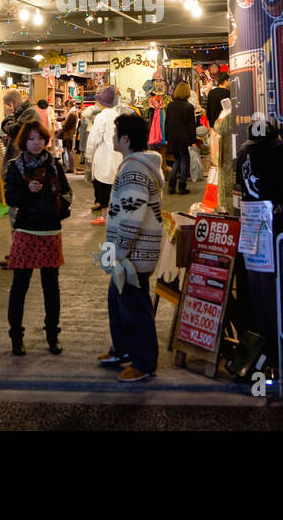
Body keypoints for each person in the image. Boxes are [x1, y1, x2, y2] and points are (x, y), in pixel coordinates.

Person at [98, 112, 164, 382]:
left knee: (135, 306)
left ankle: (144, 362)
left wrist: (119, 253)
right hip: (132, 252)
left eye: (115, 134)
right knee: (118, 299)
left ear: (125, 138)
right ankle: (123, 349)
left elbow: (130, 217)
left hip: (132, 254)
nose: (113, 138)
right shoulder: (135, 165)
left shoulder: (134, 170)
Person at [3, 119, 72, 356]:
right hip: (26, 230)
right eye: (31, 139)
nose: (36, 143)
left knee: (51, 287)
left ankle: (52, 335)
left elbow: (67, 191)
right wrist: (26, 191)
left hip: (51, 231)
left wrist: (59, 204)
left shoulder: (53, 164)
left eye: (40, 138)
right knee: (20, 286)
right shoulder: (16, 166)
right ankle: (16, 337)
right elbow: (10, 198)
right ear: (24, 141)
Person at [0, 88, 39, 269]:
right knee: (18, 214)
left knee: (18, 214)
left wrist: (6, 119)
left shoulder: (28, 113)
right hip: (22, 170)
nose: (8, 109)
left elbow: (15, 130)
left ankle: (21, 255)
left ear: (12, 103)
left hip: (23, 172)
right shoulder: (26, 114)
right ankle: (21, 251)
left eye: (8, 106)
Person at [85, 86, 129, 224]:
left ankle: (105, 217)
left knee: (103, 188)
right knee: (116, 188)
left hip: (103, 158)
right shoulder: (118, 115)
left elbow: (94, 138)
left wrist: (89, 156)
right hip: (119, 157)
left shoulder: (101, 117)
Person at [165, 81, 198, 194]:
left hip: (173, 137)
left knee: (176, 160)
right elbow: (191, 126)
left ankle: (171, 185)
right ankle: (182, 186)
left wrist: (167, 137)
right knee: (184, 161)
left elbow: (167, 123)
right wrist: (193, 141)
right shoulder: (189, 107)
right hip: (184, 138)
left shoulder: (170, 105)